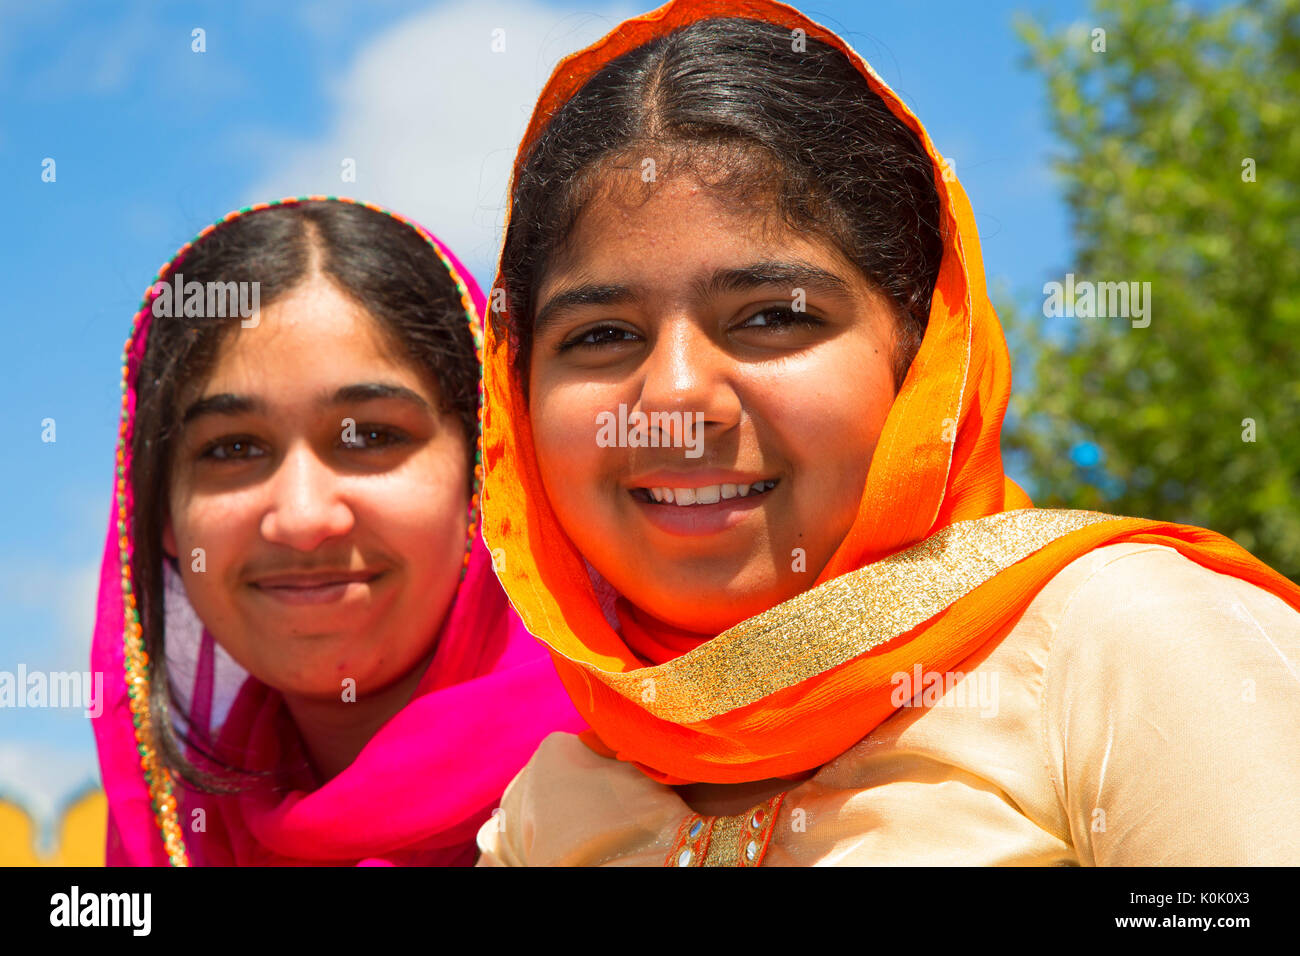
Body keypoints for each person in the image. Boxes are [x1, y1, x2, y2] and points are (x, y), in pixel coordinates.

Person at [475, 0, 1300, 866]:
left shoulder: (1121, 647)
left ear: (921, 348)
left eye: (769, 317)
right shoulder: (549, 812)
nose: (677, 398)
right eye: (600, 335)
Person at [91, 196, 583, 866]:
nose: (302, 518)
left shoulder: (653, 781)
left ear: (485, 474)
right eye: (231, 449)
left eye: (371, 436)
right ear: (161, 517)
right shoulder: (176, 837)